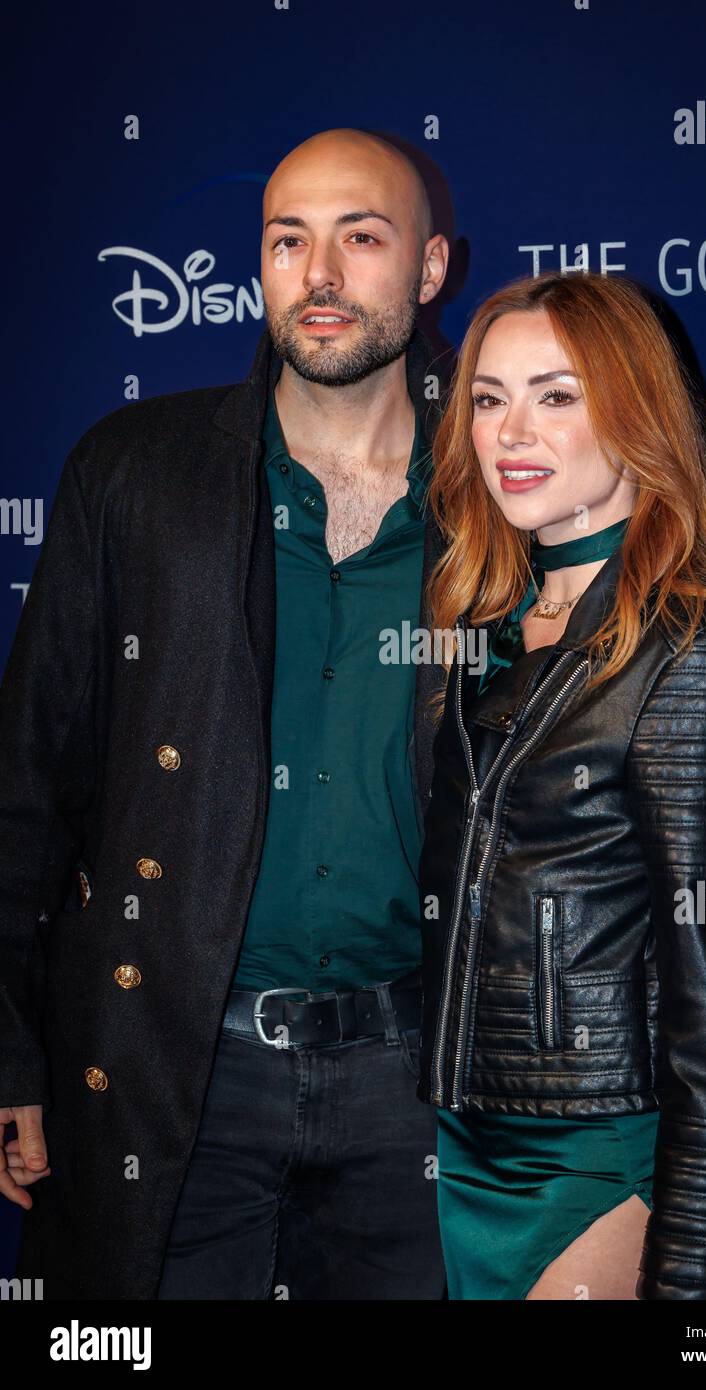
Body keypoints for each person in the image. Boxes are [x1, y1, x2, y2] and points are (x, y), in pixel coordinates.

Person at [0, 127, 451, 1299]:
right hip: (173, 1062)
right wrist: (9, 1047)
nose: (320, 273)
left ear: (430, 267)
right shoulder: (136, 472)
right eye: (286, 240)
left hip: (425, 1071)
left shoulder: (501, 489)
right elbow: (27, 781)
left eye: (361, 236)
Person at [416, 269, 706, 1299]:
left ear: (636, 416)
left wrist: (693, 1267)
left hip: (595, 1156)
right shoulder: (473, 629)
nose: (508, 432)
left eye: (555, 394)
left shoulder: (694, 640)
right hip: (453, 1141)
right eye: (487, 397)